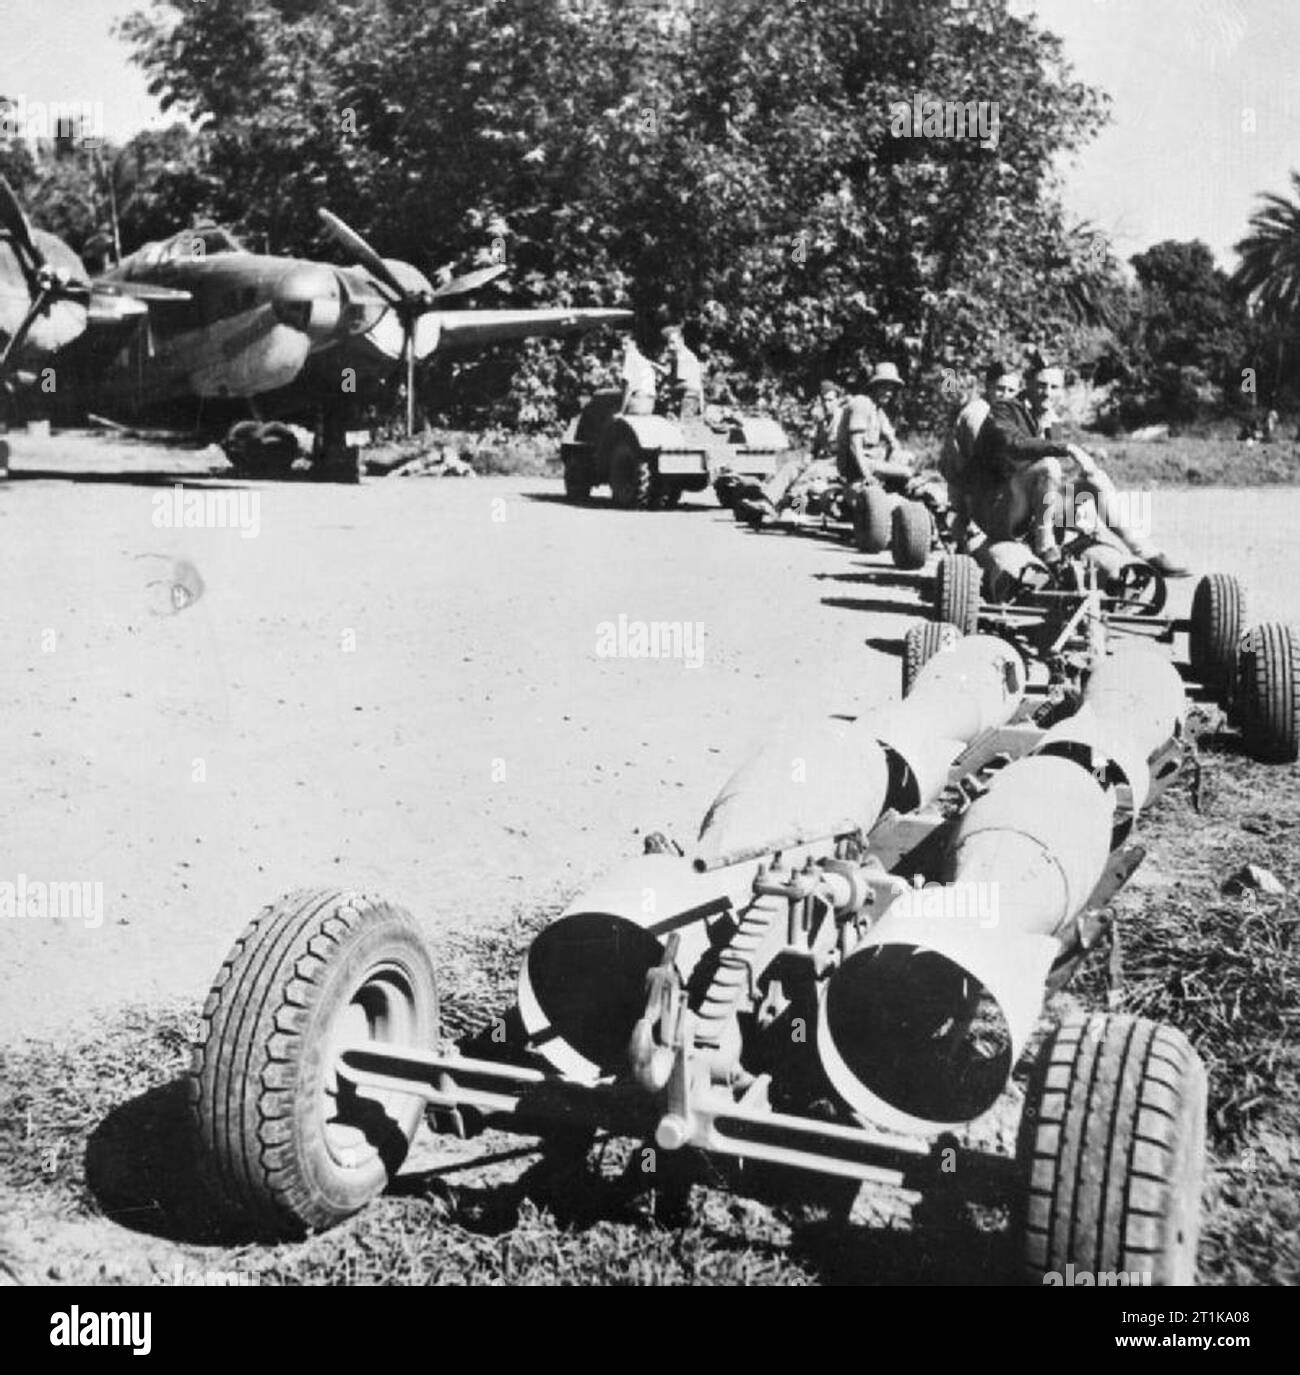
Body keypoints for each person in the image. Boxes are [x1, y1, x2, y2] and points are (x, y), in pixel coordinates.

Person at [941, 362, 1021, 550]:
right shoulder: (978, 413)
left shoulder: (1016, 412)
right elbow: (981, 463)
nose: (1005, 395)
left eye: (1011, 390)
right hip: (972, 488)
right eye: (1000, 389)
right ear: (989, 387)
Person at [658, 324, 704, 418]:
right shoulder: (676, 357)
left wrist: (667, 389)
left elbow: (685, 384)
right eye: (668, 343)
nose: (670, 347)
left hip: (689, 397)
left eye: (673, 342)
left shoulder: (683, 357)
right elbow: (672, 378)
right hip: (684, 395)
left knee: (683, 425)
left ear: (681, 340)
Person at [619, 338, 657, 416]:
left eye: (626, 344)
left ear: (634, 343)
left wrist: (621, 412)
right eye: (622, 345)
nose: (623, 348)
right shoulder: (643, 359)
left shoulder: (630, 356)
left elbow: (628, 387)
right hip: (650, 405)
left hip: (638, 402)